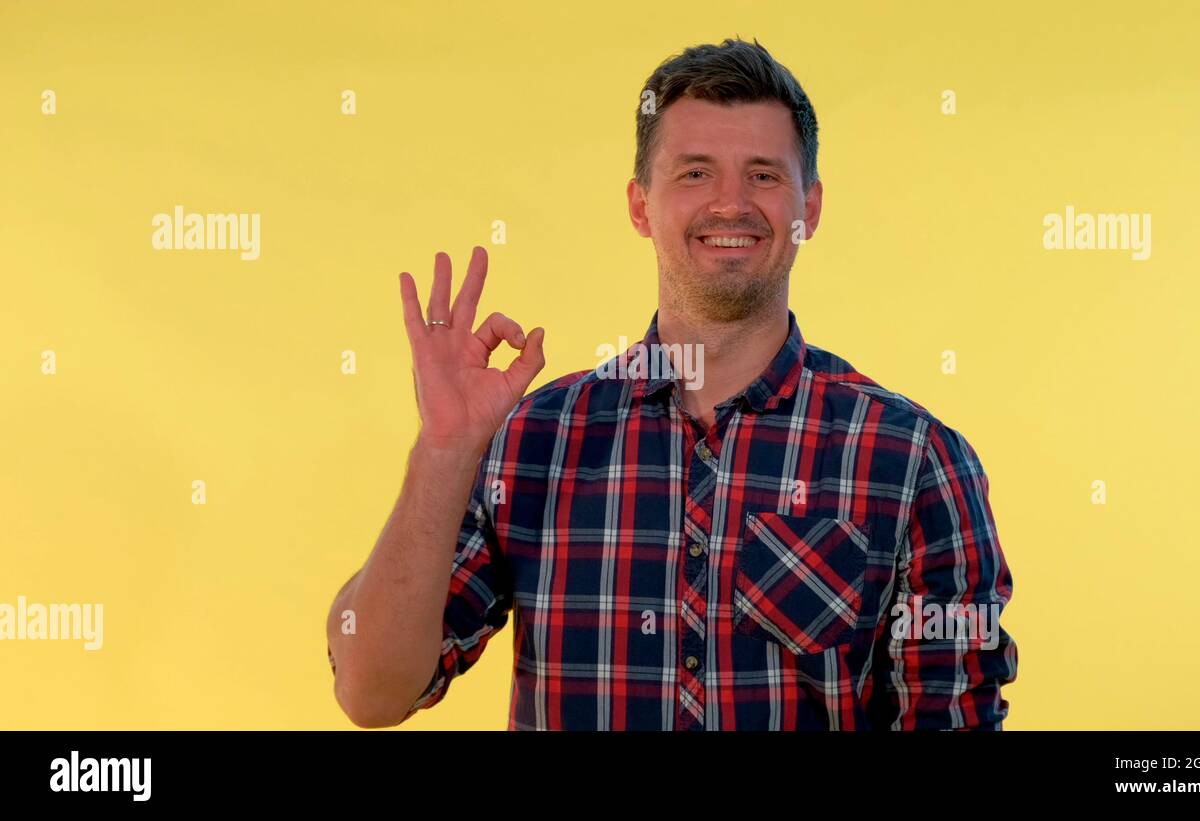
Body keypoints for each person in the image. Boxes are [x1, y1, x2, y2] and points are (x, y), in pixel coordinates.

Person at [326, 37, 1018, 730]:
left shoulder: (914, 461)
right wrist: (445, 451)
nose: (729, 204)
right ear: (639, 205)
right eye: (694, 173)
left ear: (809, 205)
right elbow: (373, 690)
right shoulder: (533, 441)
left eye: (764, 176)